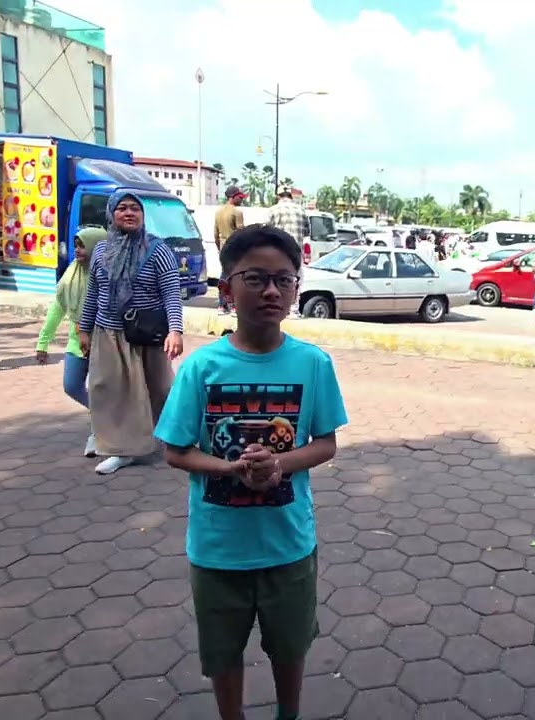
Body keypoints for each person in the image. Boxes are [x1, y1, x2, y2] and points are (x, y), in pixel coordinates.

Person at [155, 224, 347, 720]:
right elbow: (174, 449)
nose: (270, 291)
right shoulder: (202, 368)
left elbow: (325, 444)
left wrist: (280, 463)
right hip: (219, 550)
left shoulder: (312, 364)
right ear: (226, 289)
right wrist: (230, 468)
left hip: (288, 544)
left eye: (284, 280)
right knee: (223, 654)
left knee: (290, 648)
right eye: (256, 278)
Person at [78, 191, 185, 475]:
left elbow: (171, 293)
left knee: (161, 388)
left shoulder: (157, 250)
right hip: (108, 332)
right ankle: (119, 447)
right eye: (122, 208)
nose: (129, 213)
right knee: (107, 389)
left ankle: (177, 435)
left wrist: (175, 330)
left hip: (146, 333)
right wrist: (84, 328)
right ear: (111, 215)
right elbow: (93, 293)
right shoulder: (101, 250)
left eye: (135, 209)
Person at [36, 227, 106, 458]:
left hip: (103, 344)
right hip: (77, 343)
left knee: (100, 391)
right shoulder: (70, 274)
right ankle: (104, 417)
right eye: (75, 245)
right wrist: (43, 343)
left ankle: (98, 434)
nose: (77, 250)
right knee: (72, 385)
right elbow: (57, 309)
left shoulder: (106, 275)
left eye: (83, 245)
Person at [213, 186, 247, 315]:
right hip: (235, 249)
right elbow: (241, 233)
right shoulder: (237, 213)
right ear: (232, 197)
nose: (241, 200)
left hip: (223, 248)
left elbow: (215, 234)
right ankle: (234, 307)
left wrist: (219, 248)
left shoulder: (219, 212)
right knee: (235, 277)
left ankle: (222, 305)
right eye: (239, 197)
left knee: (224, 276)